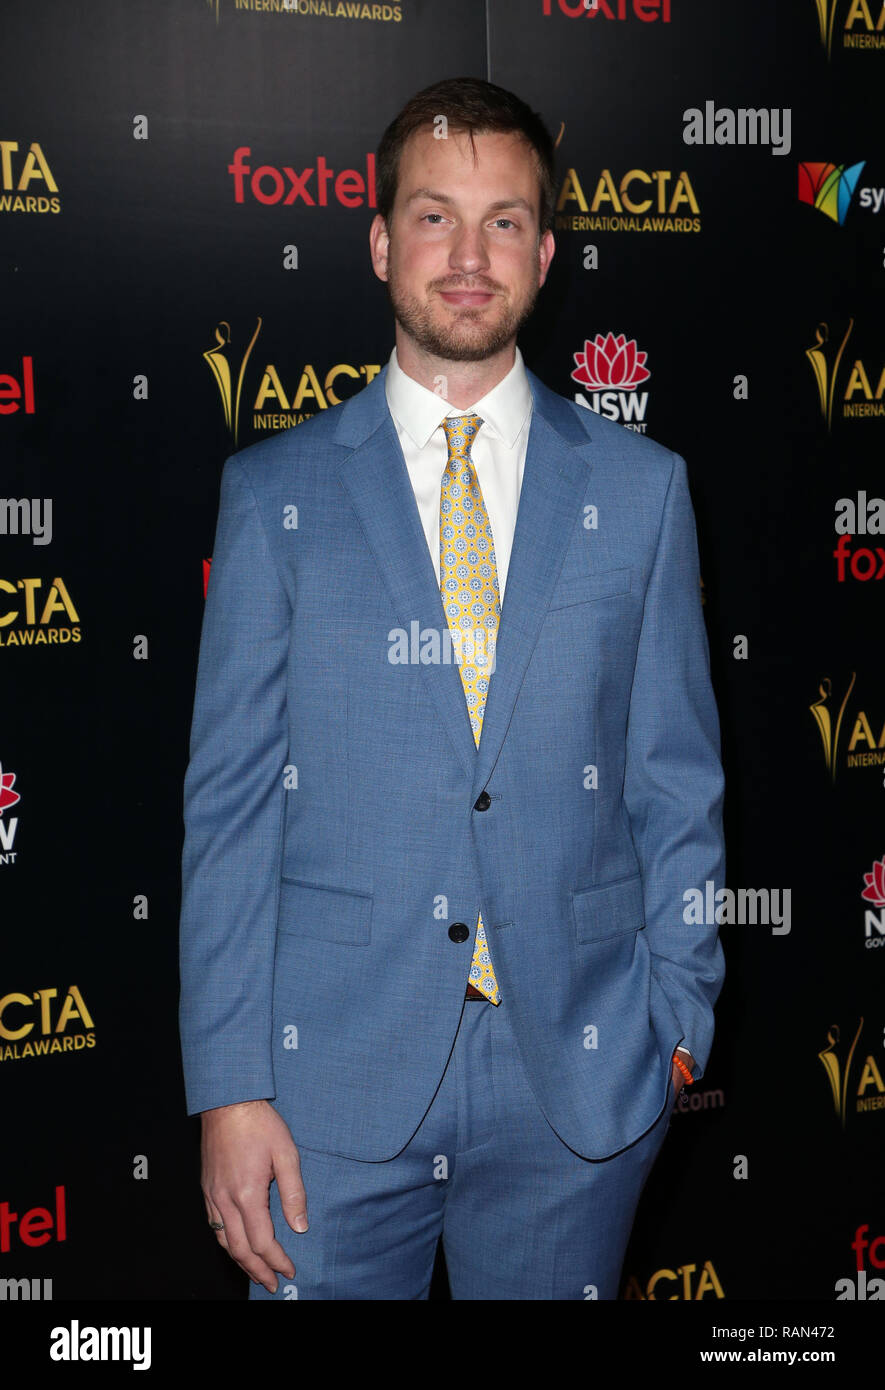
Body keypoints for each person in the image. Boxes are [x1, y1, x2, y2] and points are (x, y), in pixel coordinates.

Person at [179, 76, 725, 1301]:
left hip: (576, 1086)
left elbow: (675, 779)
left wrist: (678, 1023)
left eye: (504, 221)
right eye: (434, 217)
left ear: (545, 250)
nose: (469, 255)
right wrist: (227, 1085)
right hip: (321, 1090)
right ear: (381, 242)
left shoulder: (643, 493)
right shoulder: (277, 498)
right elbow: (227, 815)